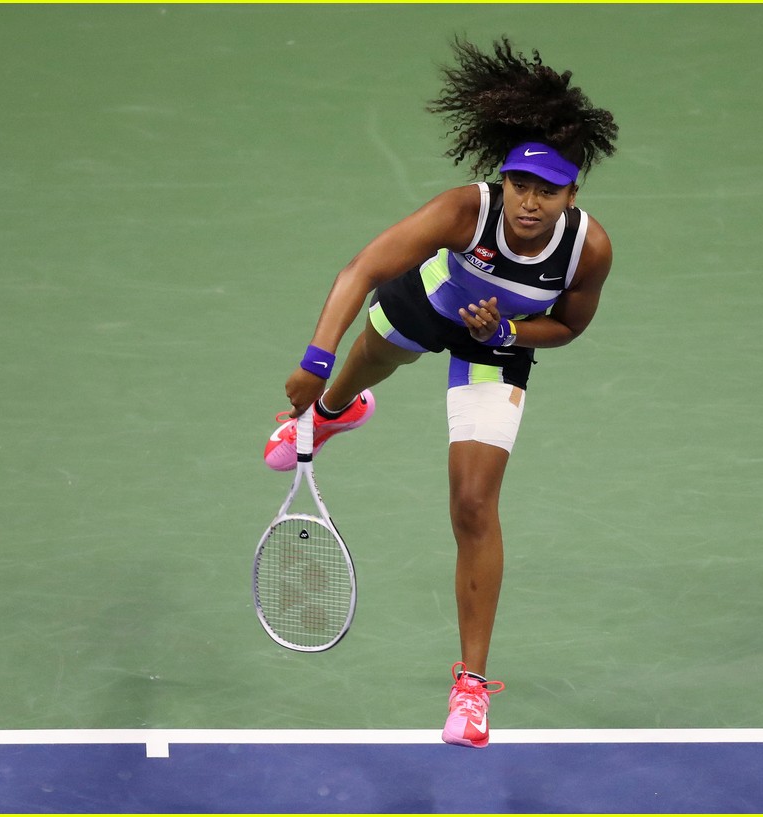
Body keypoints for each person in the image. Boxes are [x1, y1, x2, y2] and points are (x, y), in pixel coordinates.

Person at [262, 37, 619, 749]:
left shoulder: (589, 249)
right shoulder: (467, 210)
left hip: (499, 344)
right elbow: (362, 268)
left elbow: (569, 328)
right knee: (371, 356)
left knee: (473, 503)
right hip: (434, 299)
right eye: (520, 183)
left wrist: (513, 329)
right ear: (504, 178)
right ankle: (335, 412)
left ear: (571, 195)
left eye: (546, 191)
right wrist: (314, 358)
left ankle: (471, 688)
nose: (528, 201)